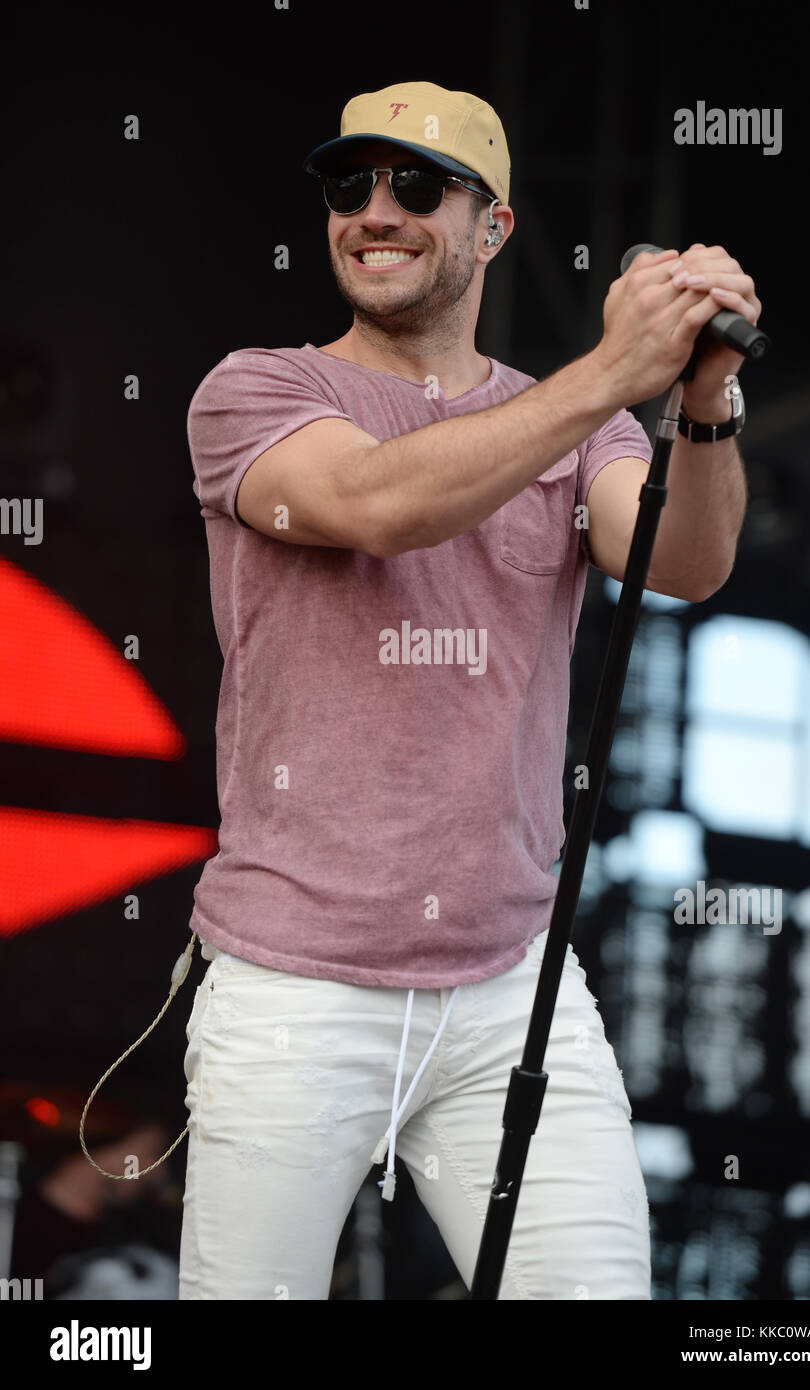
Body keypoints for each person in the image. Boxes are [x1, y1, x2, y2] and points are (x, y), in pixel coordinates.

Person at [180, 80, 761, 1300]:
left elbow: (684, 562)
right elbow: (381, 506)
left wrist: (700, 397)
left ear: (492, 228)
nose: (373, 212)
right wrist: (611, 367)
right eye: (350, 186)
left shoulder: (577, 420)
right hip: (294, 982)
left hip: (508, 989)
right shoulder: (258, 389)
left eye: (414, 186)